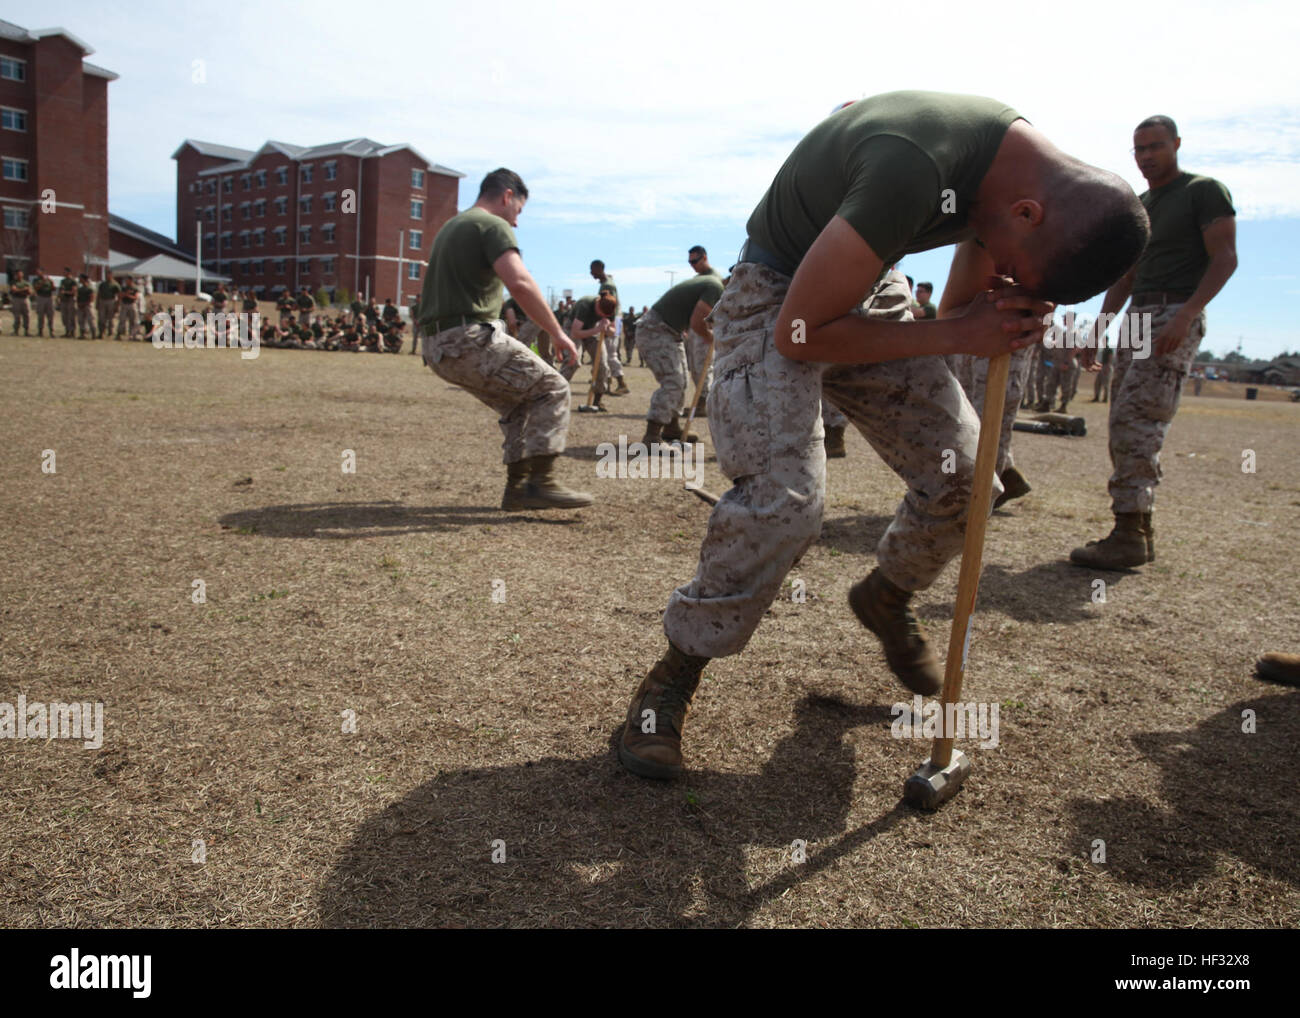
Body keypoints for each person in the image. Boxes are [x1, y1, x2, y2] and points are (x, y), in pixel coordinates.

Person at [616, 90, 1149, 780]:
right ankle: (671, 679)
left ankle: (887, 594)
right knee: (787, 501)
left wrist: (992, 312)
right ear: (1027, 213)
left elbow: (960, 301)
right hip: (780, 294)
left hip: (870, 286)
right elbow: (800, 334)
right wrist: (962, 330)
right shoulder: (917, 166)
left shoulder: (1013, 177)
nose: (1007, 276)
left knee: (967, 481)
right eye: (1019, 269)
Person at [1071, 114, 1238, 570]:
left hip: (1172, 310)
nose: (1146, 157)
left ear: (1176, 144)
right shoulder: (1141, 206)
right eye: (1139, 150)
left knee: (1137, 419)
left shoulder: (1202, 191)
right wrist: (1098, 330)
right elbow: (1125, 275)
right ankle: (1135, 528)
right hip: (1137, 315)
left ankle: (1129, 531)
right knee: (1124, 422)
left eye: (1155, 147)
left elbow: (1225, 257)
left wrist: (1186, 315)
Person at [416, 167, 591, 510]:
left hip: (438, 348)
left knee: (518, 402)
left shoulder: (452, 226)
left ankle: (517, 488)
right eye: (519, 212)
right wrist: (557, 334)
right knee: (553, 388)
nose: (516, 222)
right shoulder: (490, 224)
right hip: (468, 338)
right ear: (507, 196)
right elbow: (520, 282)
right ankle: (542, 482)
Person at [636, 250, 725, 446]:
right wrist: (712, 339)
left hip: (668, 331)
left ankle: (671, 426)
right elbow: (696, 323)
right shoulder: (715, 287)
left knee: (682, 379)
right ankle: (652, 435)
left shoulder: (709, 282)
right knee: (673, 381)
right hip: (655, 329)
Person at [564, 293, 620, 410]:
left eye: (606, 315)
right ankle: (555, 392)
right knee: (573, 361)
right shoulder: (585, 305)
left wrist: (608, 327)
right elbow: (575, 332)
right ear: (598, 305)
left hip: (592, 330)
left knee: (603, 365)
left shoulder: (610, 309)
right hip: (573, 329)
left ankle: (597, 401)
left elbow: (613, 332)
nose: (603, 316)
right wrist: (598, 329)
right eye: (601, 313)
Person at [7, 269, 31, 335]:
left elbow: (30, 291)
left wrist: (19, 290)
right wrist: (24, 289)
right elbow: (14, 290)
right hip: (16, 299)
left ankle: (26, 331)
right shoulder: (13, 282)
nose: (20, 275)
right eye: (18, 274)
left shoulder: (26, 282)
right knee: (17, 316)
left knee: (27, 316)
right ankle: (16, 331)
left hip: (25, 299)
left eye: (21, 274)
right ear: (16, 275)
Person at [32, 268, 55, 337]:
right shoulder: (36, 280)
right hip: (41, 298)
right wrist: (42, 282)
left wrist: (52, 282)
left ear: (43, 272)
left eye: (39, 272)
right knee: (40, 315)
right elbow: (36, 288)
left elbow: (53, 289)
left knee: (50, 315)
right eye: (37, 272)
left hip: (49, 298)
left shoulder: (49, 279)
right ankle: (40, 331)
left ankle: (51, 331)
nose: (38, 273)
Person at [58, 269, 78, 337]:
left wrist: (65, 292)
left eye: (65, 272)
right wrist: (59, 297)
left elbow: (74, 291)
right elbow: (60, 290)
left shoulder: (73, 281)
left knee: (71, 316)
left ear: (69, 272)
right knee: (64, 317)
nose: (64, 273)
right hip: (63, 300)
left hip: (70, 300)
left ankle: (72, 331)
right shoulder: (62, 281)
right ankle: (67, 331)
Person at [75, 274, 95, 338]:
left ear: (84, 279)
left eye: (80, 278)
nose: (79, 280)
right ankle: (82, 334)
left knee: (90, 320)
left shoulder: (89, 288)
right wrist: (78, 304)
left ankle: (93, 334)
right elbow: (78, 297)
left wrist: (84, 304)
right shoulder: (80, 289)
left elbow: (92, 298)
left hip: (87, 306)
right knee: (81, 320)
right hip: (81, 306)